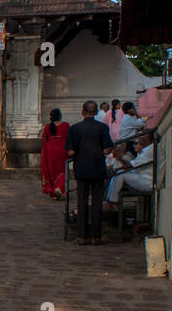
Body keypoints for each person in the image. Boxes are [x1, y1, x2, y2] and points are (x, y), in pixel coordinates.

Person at [66, 101, 115, 245]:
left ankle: (82, 235)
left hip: (81, 168)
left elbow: (70, 151)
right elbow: (107, 149)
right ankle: (96, 236)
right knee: (97, 202)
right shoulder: (102, 128)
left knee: (82, 201)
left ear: (83, 112)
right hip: (98, 168)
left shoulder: (75, 129)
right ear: (95, 113)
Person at [105, 131, 155, 210]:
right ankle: (110, 200)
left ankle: (113, 202)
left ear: (149, 140)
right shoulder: (145, 150)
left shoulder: (150, 150)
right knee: (119, 173)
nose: (141, 140)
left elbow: (131, 165)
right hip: (142, 176)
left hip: (148, 181)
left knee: (120, 174)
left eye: (144, 138)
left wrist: (121, 158)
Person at [39, 108, 69, 198]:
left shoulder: (48, 127)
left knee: (52, 171)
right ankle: (58, 188)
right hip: (62, 151)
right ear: (60, 116)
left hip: (50, 151)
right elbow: (68, 139)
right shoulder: (66, 126)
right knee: (62, 171)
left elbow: (45, 141)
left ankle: (54, 192)